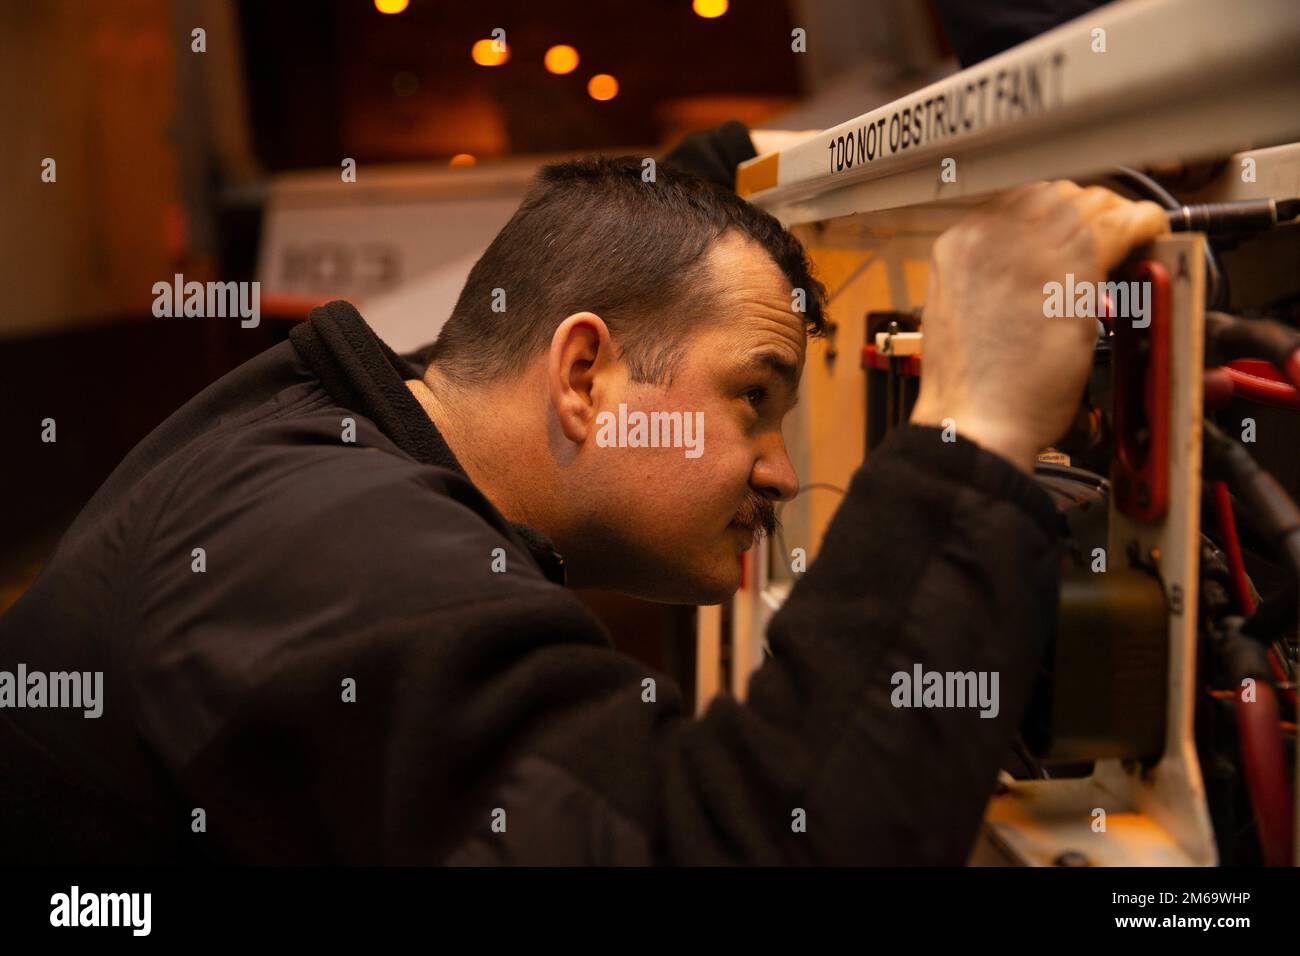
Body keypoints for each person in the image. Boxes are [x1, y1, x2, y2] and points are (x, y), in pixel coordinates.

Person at [0, 124, 1166, 864]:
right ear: (582, 372)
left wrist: (808, 155)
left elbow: (612, 234)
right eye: (755, 397)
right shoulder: (346, 560)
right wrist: (976, 428)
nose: (775, 467)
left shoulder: (334, 429)